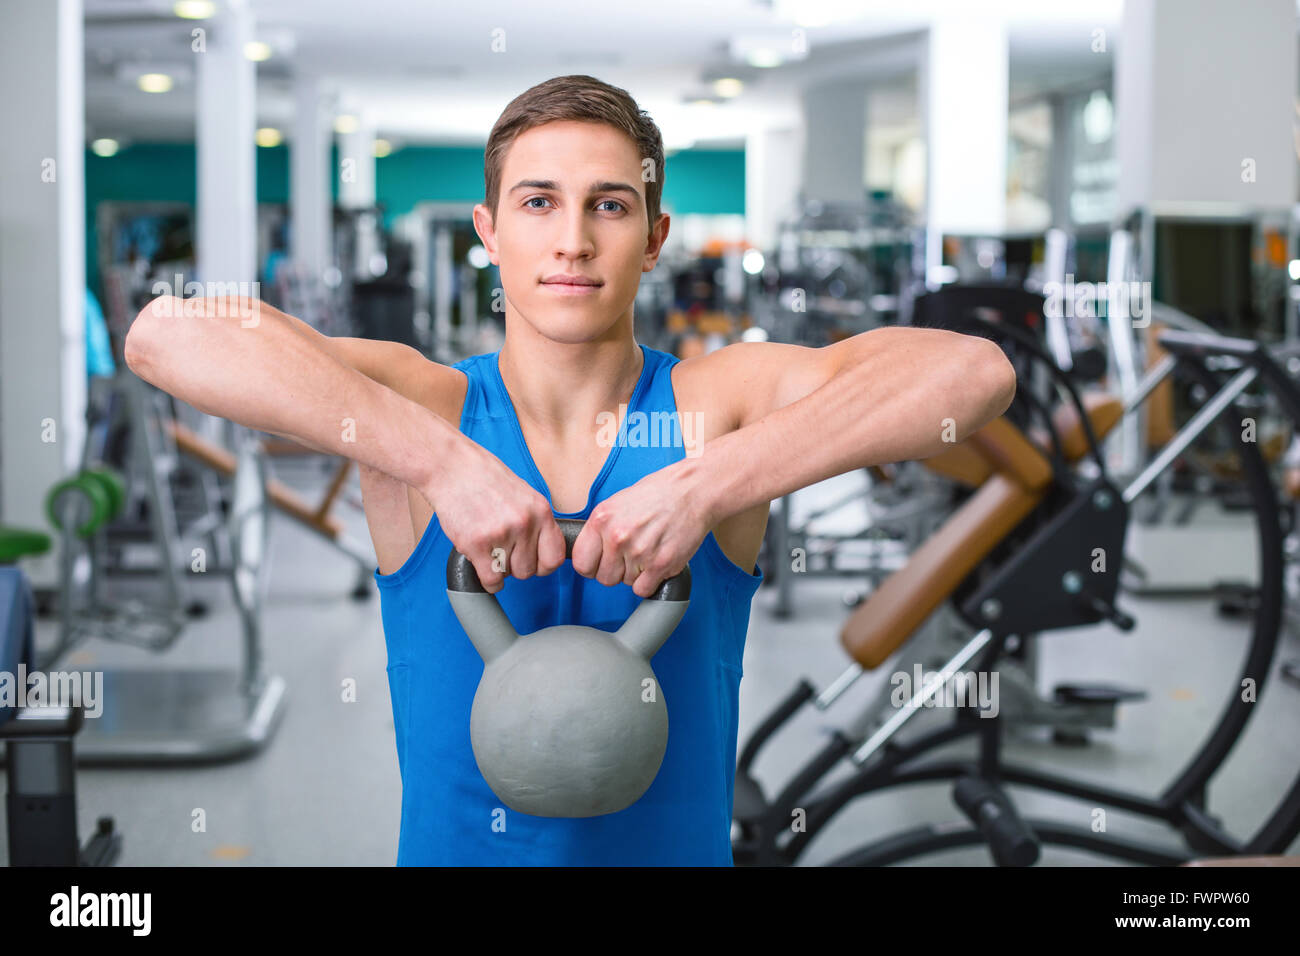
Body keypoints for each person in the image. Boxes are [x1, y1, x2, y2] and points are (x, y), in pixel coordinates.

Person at [123, 74, 1016, 866]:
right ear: (490, 229)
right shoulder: (423, 405)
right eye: (539, 202)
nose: (574, 241)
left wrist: (708, 482)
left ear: (656, 235)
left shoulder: (717, 404)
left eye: (611, 205)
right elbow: (166, 333)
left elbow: (973, 373)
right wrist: (440, 462)